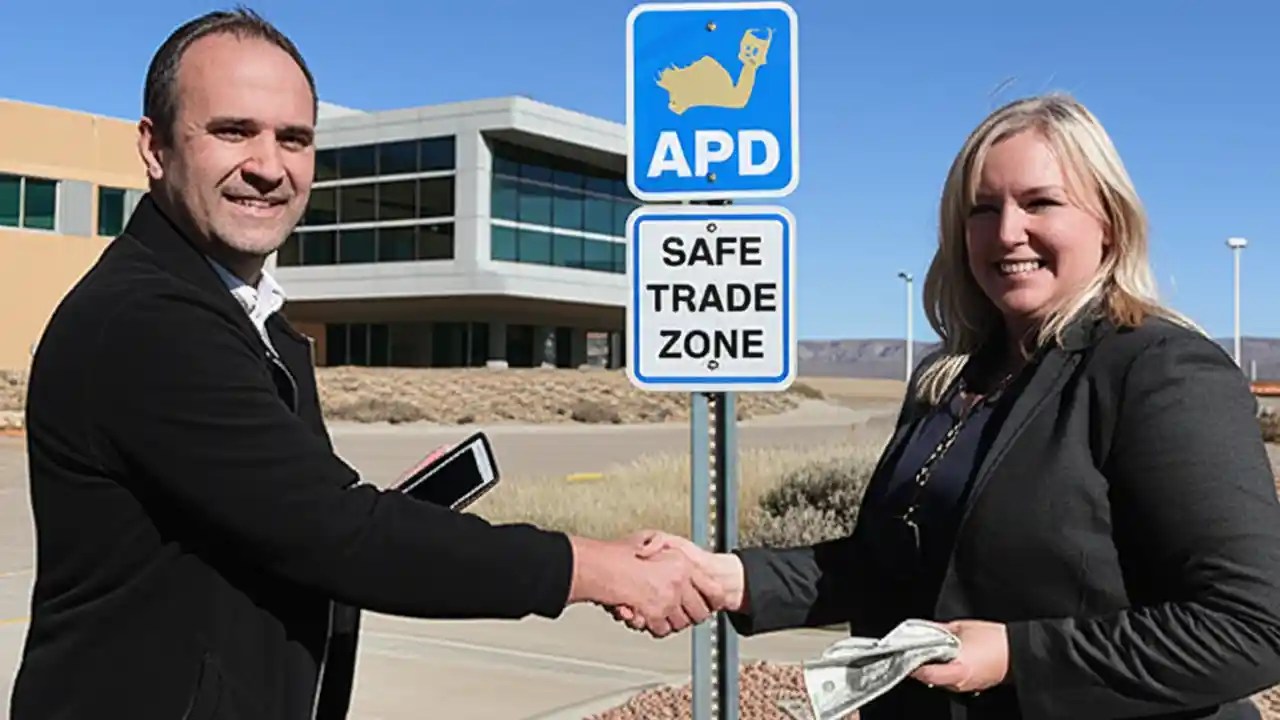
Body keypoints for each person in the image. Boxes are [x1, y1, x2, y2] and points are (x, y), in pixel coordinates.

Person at [9, 9, 723, 720]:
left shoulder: (255, 324)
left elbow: (280, 519)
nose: (267, 166)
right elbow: (333, 535)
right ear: (156, 146)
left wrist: (391, 518)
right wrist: (597, 568)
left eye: (294, 140)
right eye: (233, 131)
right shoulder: (147, 322)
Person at [627, 94, 1280, 719]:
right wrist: (728, 576)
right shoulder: (949, 380)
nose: (1007, 232)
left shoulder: (1158, 371)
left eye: (1040, 202)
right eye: (982, 209)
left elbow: (1252, 625)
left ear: (1108, 222)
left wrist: (1016, 656)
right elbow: (890, 565)